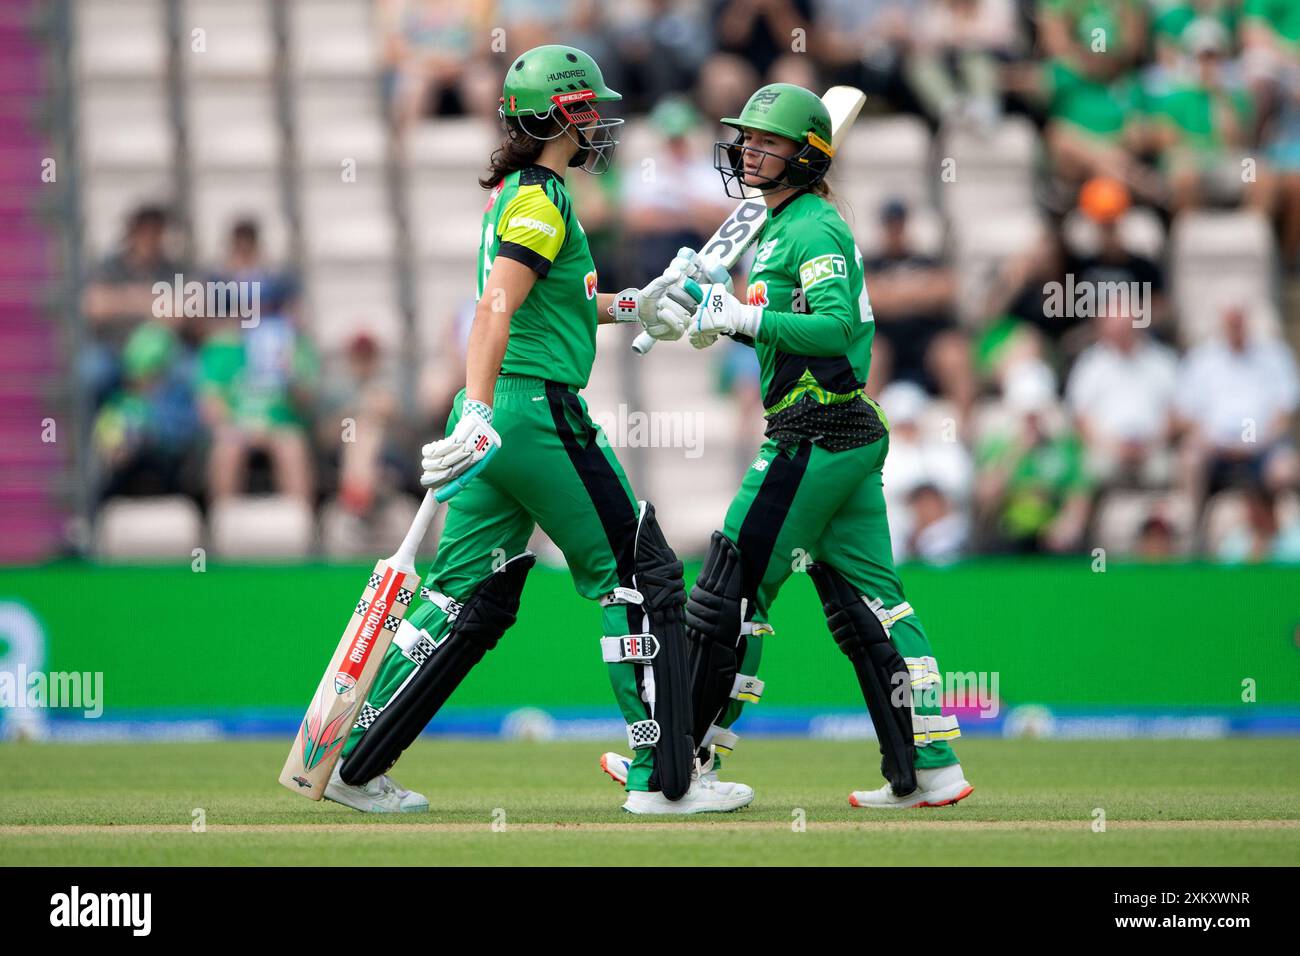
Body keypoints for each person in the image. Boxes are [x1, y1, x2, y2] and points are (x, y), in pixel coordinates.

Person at [323, 45, 750, 815]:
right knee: (640, 571)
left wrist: (635, 304)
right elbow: (496, 306)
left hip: (500, 416)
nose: (600, 122)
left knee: (468, 596)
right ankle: (664, 777)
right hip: (531, 413)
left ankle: (355, 761)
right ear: (558, 114)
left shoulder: (524, 194)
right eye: (588, 107)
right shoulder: (541, 199)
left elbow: (554, 302)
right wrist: (484, 408)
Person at [603, 83, 974, 809]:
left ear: (806, 155)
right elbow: (778, 323)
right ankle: (928, 765)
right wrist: (724, 320)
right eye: (746, 138)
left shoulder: (811, 229)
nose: (747, 150)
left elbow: (834, 329)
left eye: (766, 142)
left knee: (726, 590)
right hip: (838, 433)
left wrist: (739, 315)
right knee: (871, 606)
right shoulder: (782, 225)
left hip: (814, 433)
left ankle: (685, 753)